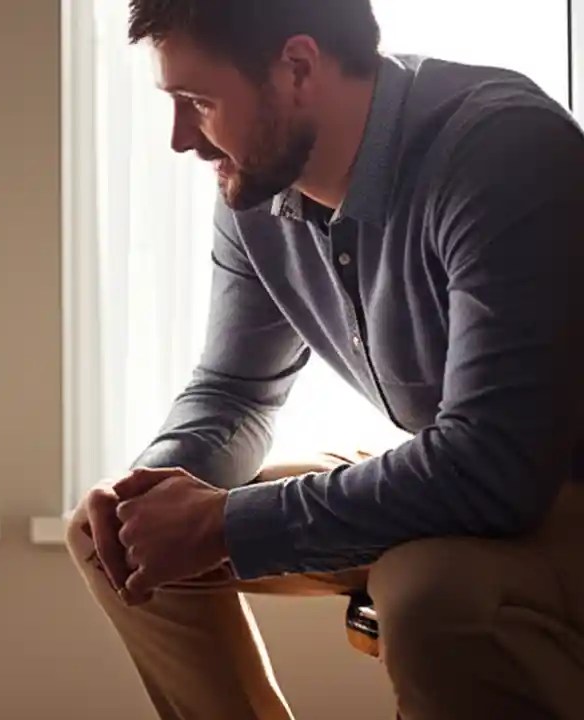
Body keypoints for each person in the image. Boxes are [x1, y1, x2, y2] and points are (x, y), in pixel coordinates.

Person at [66, 1, 584, 718]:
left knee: (431, 589)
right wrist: (163, 490)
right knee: (116, 536)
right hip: (472, 467)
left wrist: (218, 524)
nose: (182, 140)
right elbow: (234, 389)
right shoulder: (256, 182)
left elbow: (497, 466)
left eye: (198, 102)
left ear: (299, 67)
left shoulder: (503, 152)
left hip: (553, 484)